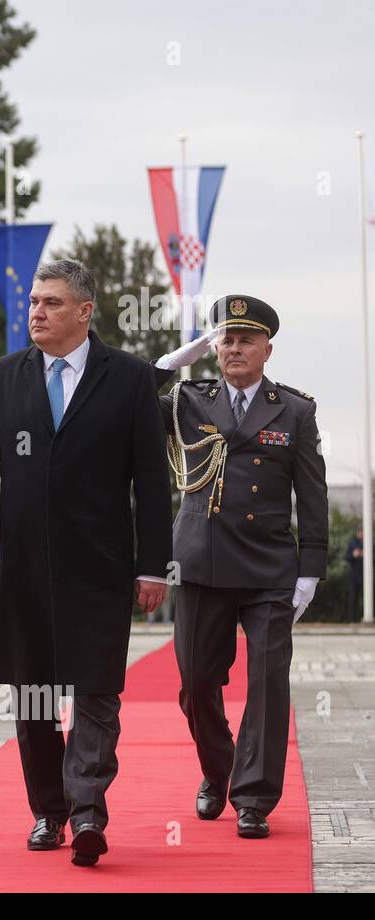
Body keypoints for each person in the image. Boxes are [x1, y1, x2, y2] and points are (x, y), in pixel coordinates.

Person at [0, 259, 171, 867]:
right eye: (34, 303)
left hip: (100, 566)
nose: (36, 312)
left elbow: (152, 482)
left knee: (98, 690)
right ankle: (50, 811)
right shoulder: (3, 378)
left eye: (50, 303)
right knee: (36, 696)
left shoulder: (128, 379)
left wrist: (154, 566)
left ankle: (89, 810)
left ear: (85, 311)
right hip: (22, 568)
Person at [155, 294, 328, 839]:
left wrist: (311, 568)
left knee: (269, 680)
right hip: (201, 563)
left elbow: (313, 493)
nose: (234, 348)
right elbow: (124, 406)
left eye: (245, 339)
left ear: (266, 350)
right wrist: (163, 367)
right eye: (225, 339)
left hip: (269, 567)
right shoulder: (186, 397)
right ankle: (217, 770)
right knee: (196, 683)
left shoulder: (294, 410)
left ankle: (253, 797)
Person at [347, 530, 363, 623]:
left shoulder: (369, 543)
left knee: (364, 598)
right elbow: (347, 557)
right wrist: (354, 555)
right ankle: (352, 619)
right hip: (354, 576)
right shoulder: (352, 543)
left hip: (365, 577)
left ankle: (362, 617)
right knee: (353, 598)